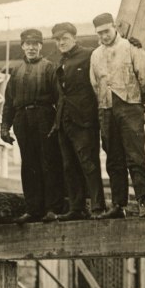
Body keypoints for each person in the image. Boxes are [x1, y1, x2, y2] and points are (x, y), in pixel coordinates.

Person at [89, 12, 145, 217]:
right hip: (106, 109)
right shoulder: (95, 55)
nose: (104, 36)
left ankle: (144, 203)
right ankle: (119, 206)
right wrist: (104, 104)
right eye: (100, 33)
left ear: (114, 27)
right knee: (113, 159)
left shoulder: (131, 48)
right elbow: (94, 83)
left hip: (130, 107)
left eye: (107, 31)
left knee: (135, 156)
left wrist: (136, 102)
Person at [0, 28, 66, 221]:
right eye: (28, 44)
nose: (31, 48)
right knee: (29, 164)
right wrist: (5, 127)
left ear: (41, 46)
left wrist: (56, 122)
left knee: (49, 162)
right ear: (22, 47)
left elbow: (60, 98)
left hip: (44, 116)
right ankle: (33, 209)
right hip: (22, 119)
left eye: (35, 44)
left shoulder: (49, 68)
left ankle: (53, 208)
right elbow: (9, 102)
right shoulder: (16, 71)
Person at [51, 21, 107, 219]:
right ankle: (77, 208)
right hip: (64, 121)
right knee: (69, 166)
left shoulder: (90, 55)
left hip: (84, 120)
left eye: (64, 38)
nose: (61, 42)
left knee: (89, 163)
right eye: (57, 40)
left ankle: (98, 207)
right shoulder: (61, 61)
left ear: (74, 38)